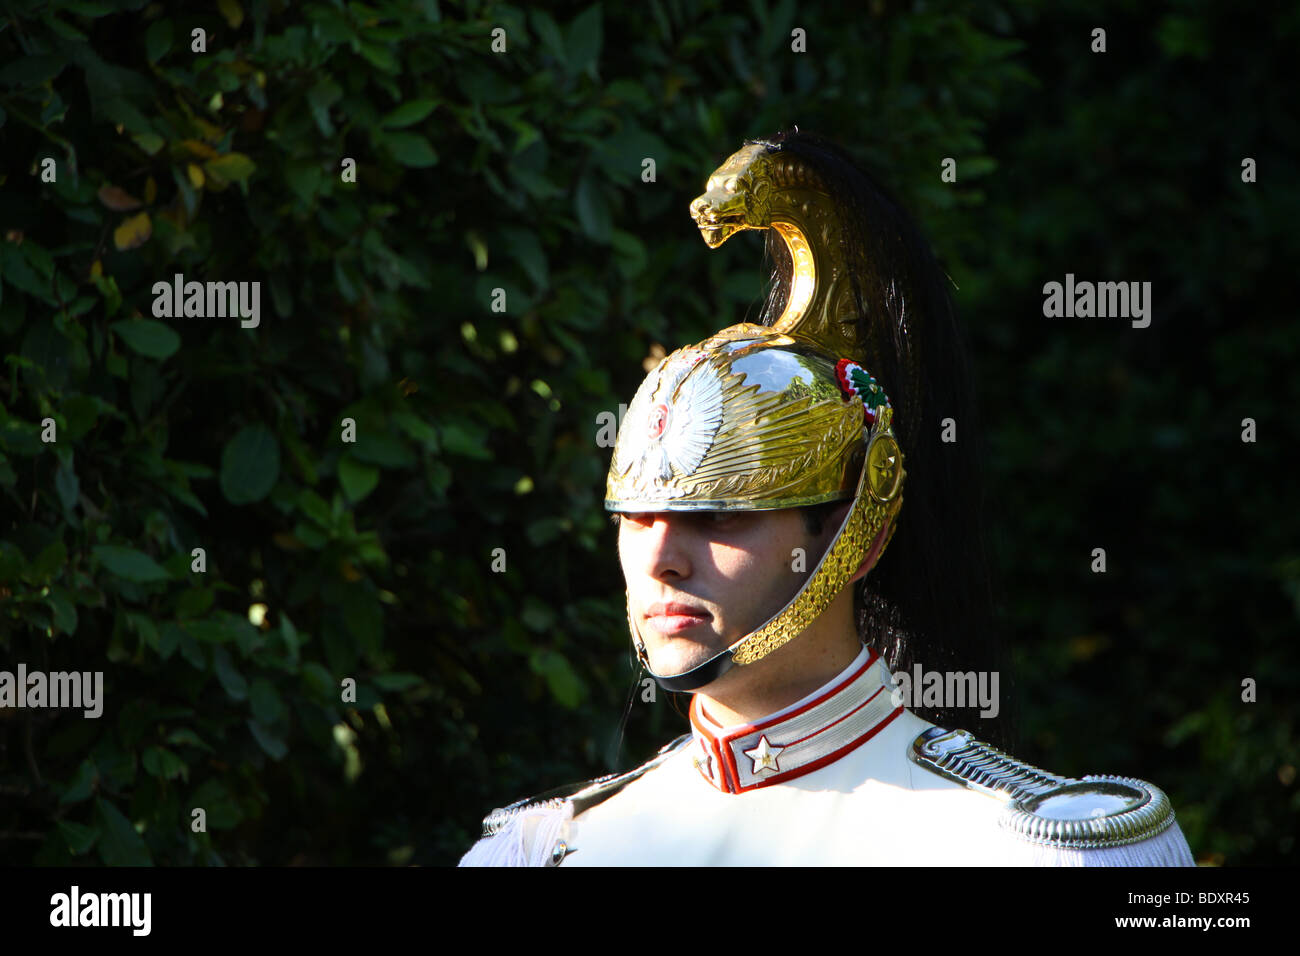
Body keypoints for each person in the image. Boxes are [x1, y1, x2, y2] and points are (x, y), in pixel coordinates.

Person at [459, 129, 1195, 866]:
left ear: (861, 533)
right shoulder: (536, 852)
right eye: (636, 518)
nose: (660, 560)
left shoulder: (1051, 850)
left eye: (717, 517)